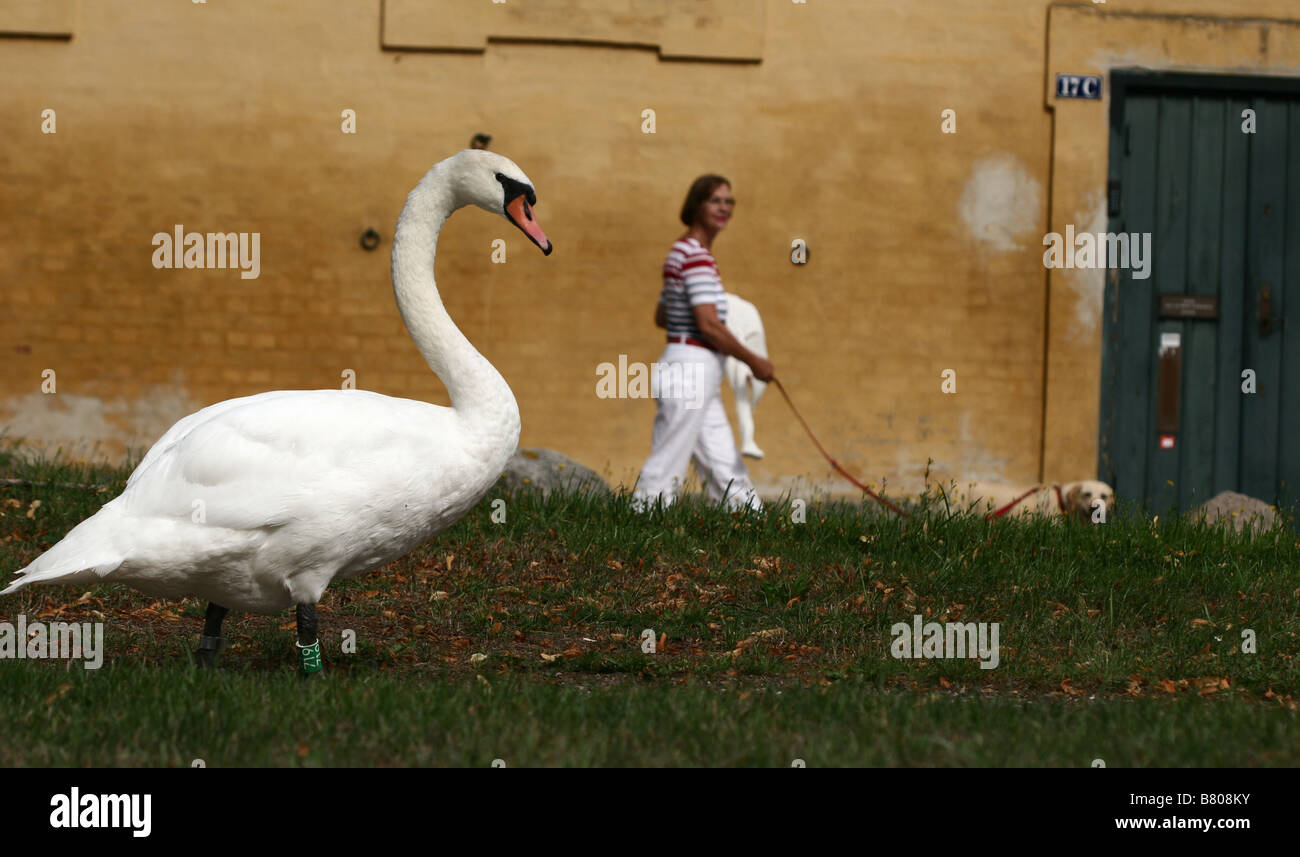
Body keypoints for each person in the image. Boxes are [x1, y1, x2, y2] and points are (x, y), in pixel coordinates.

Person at [631, 174, 775, 512]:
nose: (724, 208)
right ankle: (641, 518)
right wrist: (755, 361)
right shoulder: (695, 256)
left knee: (723, 457)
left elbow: (662, 316)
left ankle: (748, 518)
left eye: (729, 202)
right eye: (715, 201)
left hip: (692, 365)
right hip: (691, 364)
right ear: (696, 205)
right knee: (669, 457)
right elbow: (709, 325)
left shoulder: (682, 252)